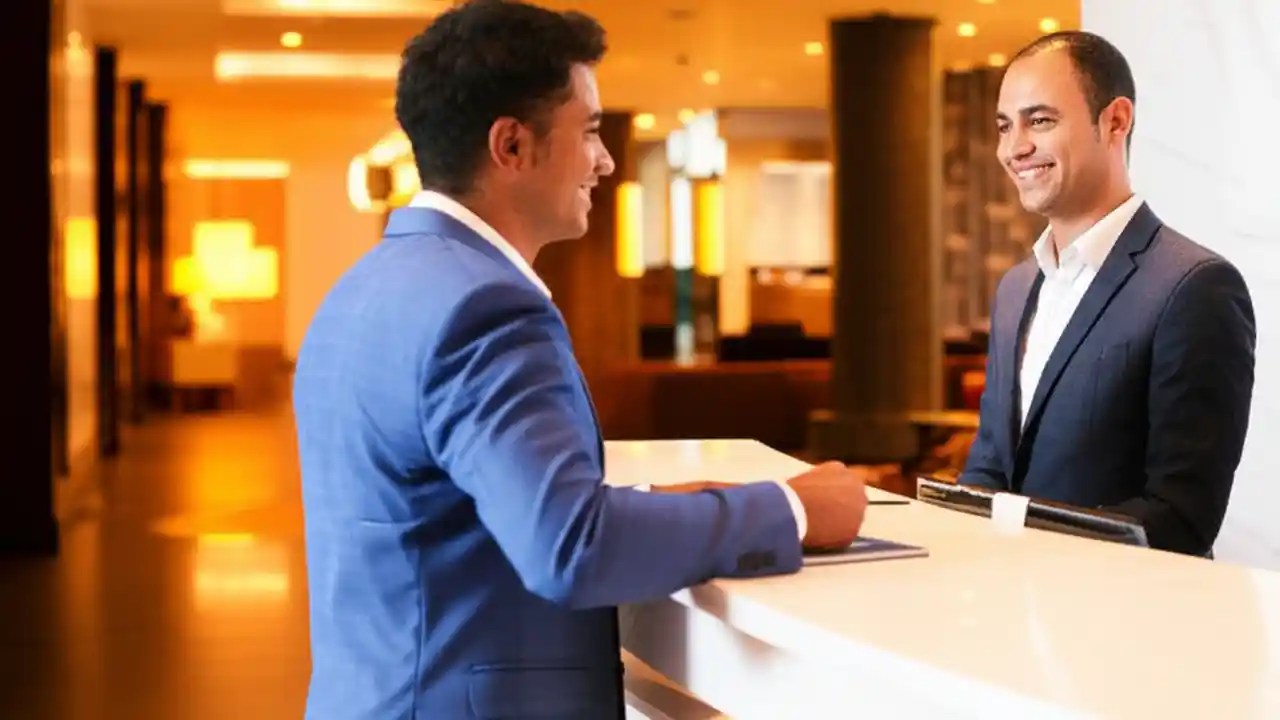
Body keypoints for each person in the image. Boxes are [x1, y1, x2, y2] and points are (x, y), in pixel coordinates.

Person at [291, 1, 867, 717]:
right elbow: (570, 547)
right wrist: (790, 510)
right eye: (590, 131)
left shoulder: (362, 288)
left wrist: (669, 506)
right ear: (511, 147)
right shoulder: (485, 308)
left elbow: (466, 511)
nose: (606, 159)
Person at [959, 30, 1255, 557]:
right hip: (1008, 611)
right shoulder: (1015, 288)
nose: (1014, 148)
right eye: (1005, 126)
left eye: (1040, 120)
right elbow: (989, 467)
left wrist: (1027, 545)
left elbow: (1181, 517)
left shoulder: (1194, 287)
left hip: (1124, 623)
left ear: (1115, 120)